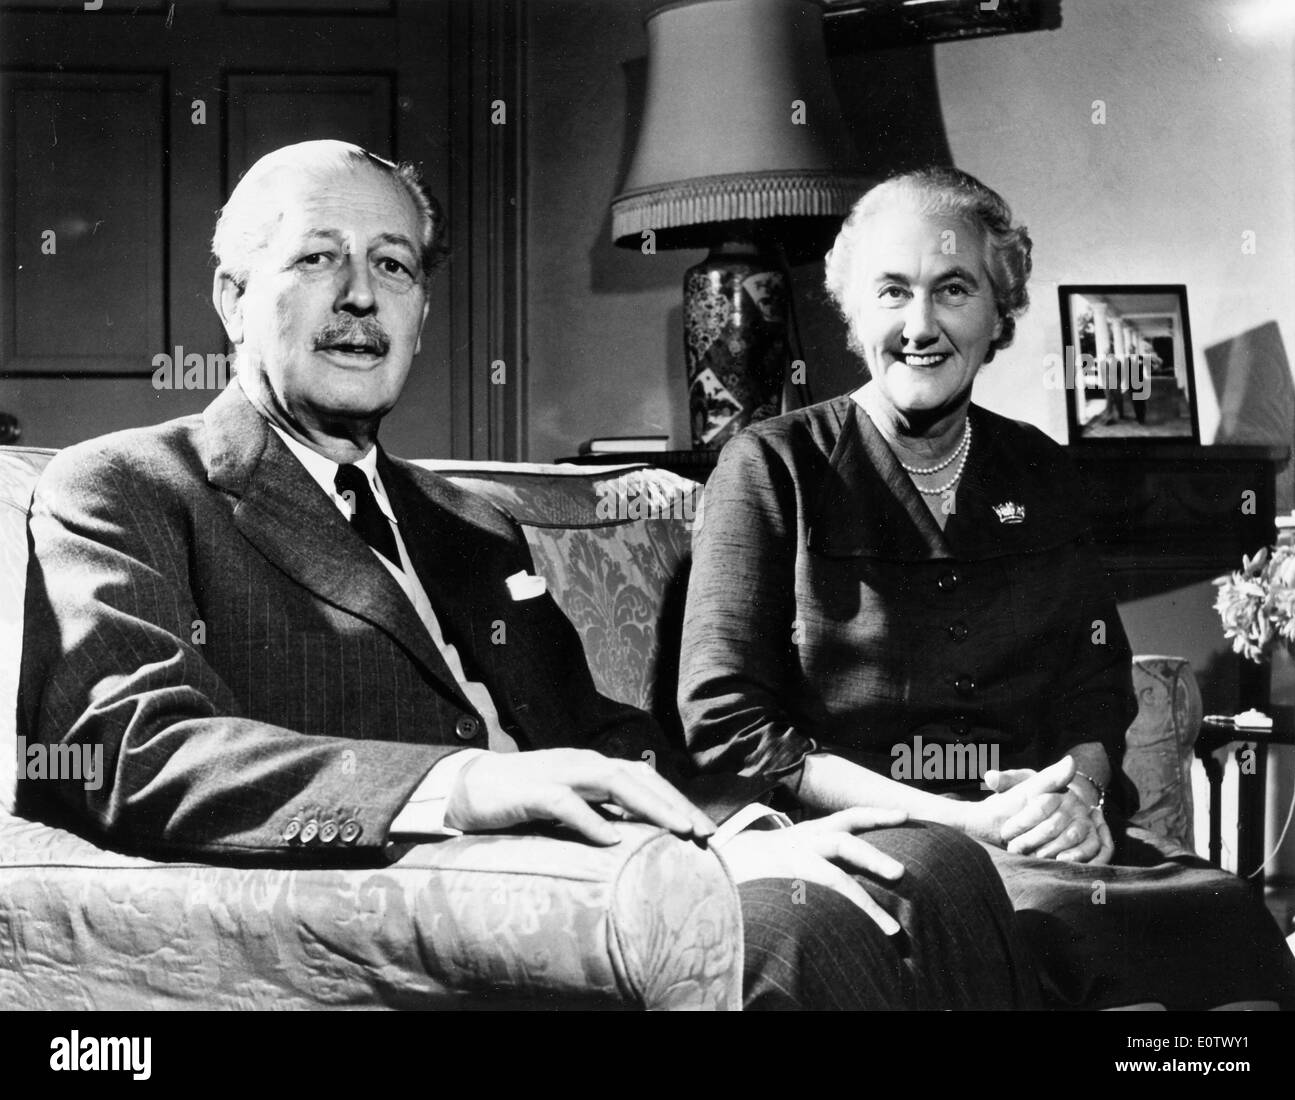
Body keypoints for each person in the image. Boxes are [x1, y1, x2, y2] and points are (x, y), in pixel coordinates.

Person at [18, 141, 1040, 1011]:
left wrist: (740, 827)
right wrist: (472, 784)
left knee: (926, 863)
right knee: (793, 927)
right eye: (318, 259)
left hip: (605, 864)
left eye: (395, 266)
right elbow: (128, 748)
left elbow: (594, 735)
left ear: (420, 310)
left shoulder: (467, 521)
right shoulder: (128, 486)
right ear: (233, 298)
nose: (361, 296)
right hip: (432, 904)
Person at [679, 165, 1295, 1010]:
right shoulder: (772, 466)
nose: (920, 325)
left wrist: (1079, 793)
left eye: (955, 289)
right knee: (1050, 937)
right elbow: (728, 724)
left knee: (1227, 920)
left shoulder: (1041, 469)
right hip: (879, 841)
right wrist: (967, 823)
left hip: (1039, 841)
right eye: (892, 291)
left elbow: (1094, 687)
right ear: (853, 310)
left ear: (999, 314)